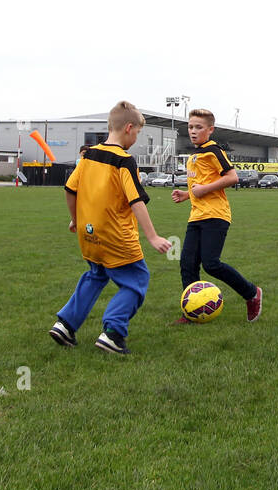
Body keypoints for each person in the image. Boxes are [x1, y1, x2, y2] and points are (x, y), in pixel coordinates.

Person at [49, 101, 171, 355]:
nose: (136, 139)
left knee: (96, 275)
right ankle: (113, 333)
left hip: (89, 233)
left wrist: (76, 219)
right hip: (117, 236)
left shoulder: (88, 155)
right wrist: (152, 236)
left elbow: (70, 190)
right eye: (137, 133)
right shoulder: (124, 161)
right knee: (137, 279)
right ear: (128, 128)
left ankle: (65, 325)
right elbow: (136, 201)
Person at [172, 109, 263, 323]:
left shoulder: (213, 151)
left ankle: (252, 293)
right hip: (196, 215)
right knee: (187, 263)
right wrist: (187, 194)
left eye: (199, 127)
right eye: (191, 127)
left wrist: (204, 190)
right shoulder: (195, 154)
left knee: (211, 263)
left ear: (210, 130)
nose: (193, 131)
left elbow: (232, 177)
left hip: (216, 215)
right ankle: (191, 311)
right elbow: (200, 183)